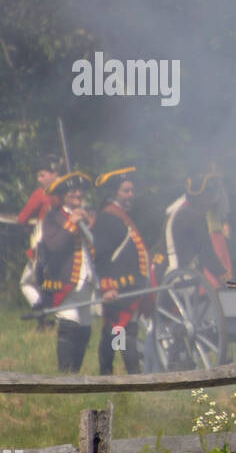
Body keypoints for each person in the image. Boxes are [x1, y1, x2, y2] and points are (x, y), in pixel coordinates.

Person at [93, 167, 149, 375]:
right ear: (114, 193)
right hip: (117, 288)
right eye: (126, 191)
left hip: (129, 287)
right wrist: (106, 288)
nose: (130, 195)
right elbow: (101, 257)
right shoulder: (108, 218)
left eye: (131, 190)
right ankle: (113, 374)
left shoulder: (121, 216)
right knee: (118, 330)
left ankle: (119, 374)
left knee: (121, 330)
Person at [38, 172, 96, 372]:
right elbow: (55, 246)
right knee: (69, 325)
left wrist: (87, 222)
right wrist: (72, 222)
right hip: (65, 281)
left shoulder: (88, 215)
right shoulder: (53, 217)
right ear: (63, 196)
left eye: (80, 190)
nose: (78, 194)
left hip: (87, 281)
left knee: (85, 329)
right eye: (73, 191)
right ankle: (65, 374)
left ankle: (76, 373)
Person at [159, 174, 230, 284]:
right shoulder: (193, 216)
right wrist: (222, 273)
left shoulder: (179, 210)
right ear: (201, 196)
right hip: (182, 277)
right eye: (209, 196)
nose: (210, 202)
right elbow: (205, 250)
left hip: (167, 273)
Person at [17, 157, 60, 315]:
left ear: (54, 173)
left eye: (43, 175)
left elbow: (22, 218)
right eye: (38, 176)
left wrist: (27, 226)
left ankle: (42, 315)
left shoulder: (40, 194)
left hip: (43, 245)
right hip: (64, 245)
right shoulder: (67, 193)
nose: (39, 179)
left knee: (26, 283)